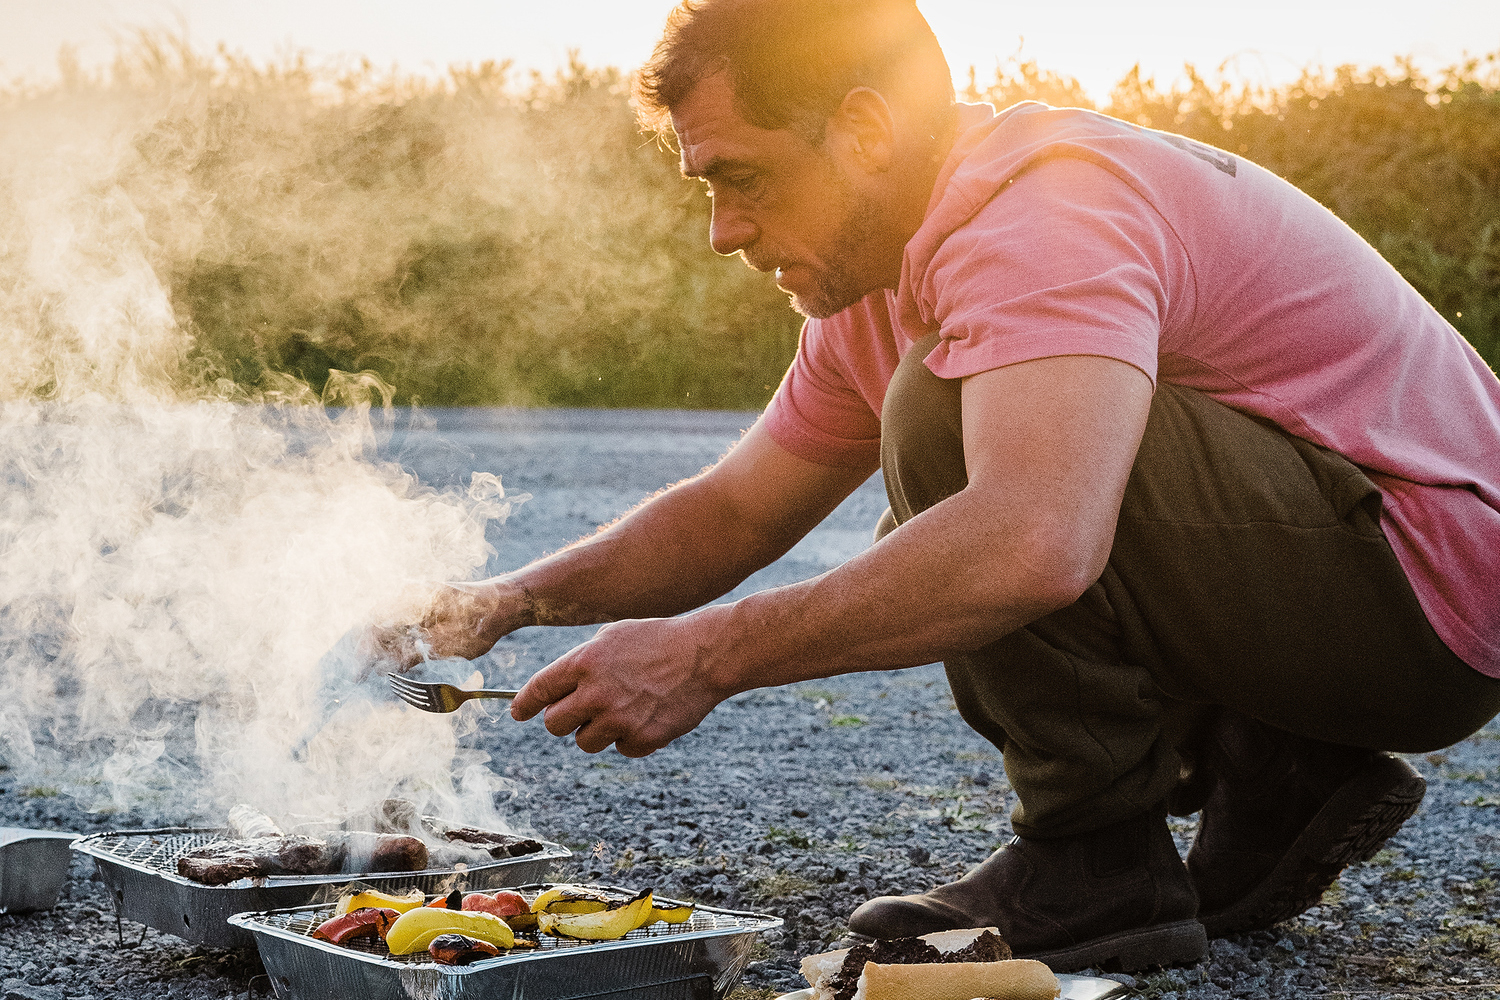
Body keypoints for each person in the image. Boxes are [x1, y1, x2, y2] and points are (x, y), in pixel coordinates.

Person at [373, 0, 1500, 973]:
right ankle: (1275, 763)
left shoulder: (1034, 212)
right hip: (1351, 584)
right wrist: (510, 599)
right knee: (962, 407)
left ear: (863, 128)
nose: (723, 232)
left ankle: (1094, 858)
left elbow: (1036, 539)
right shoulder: (886, 267)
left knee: (949, 416)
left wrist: (707, 656)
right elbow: (736, 509)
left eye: (742, 177)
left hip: (1429, 598)